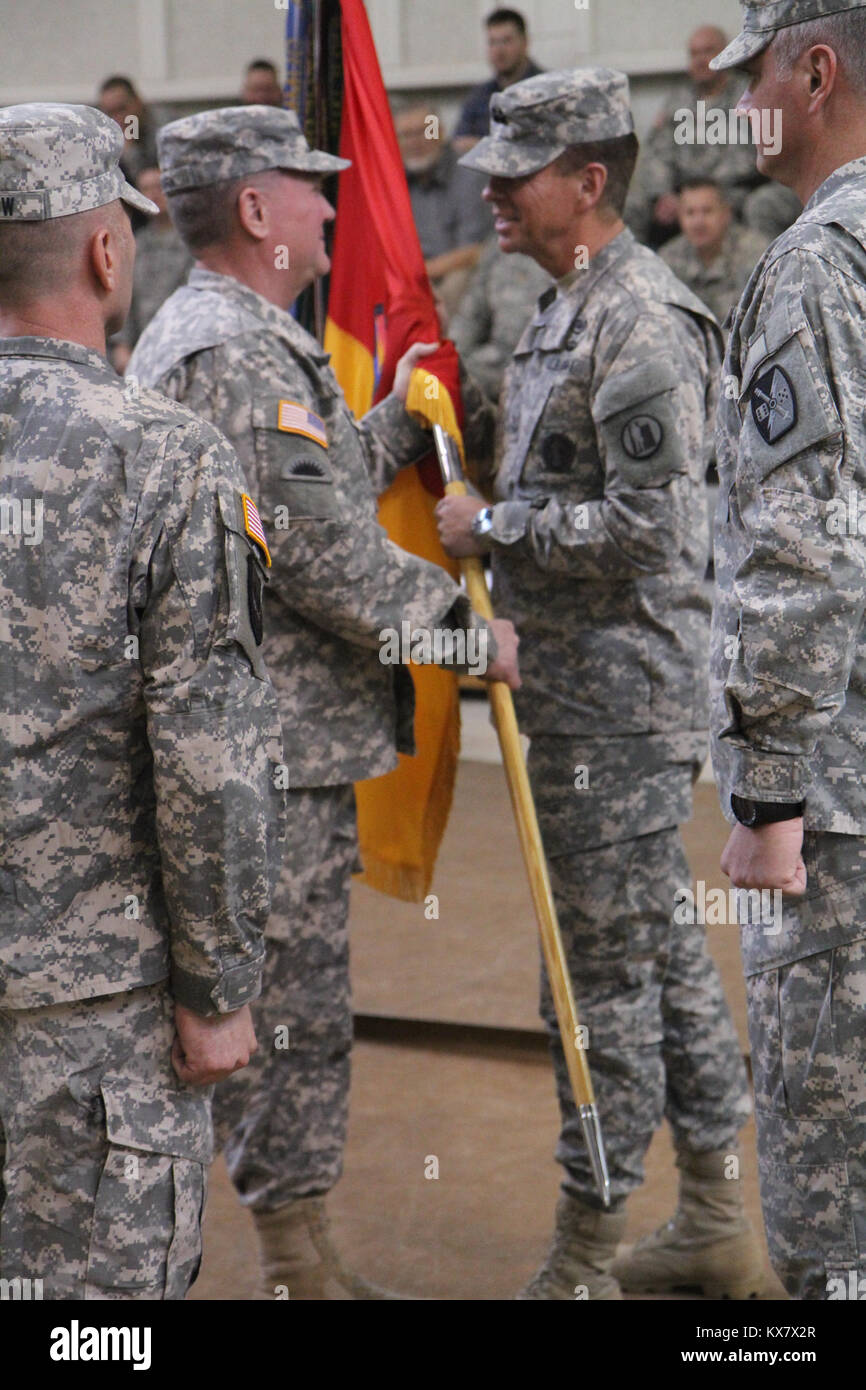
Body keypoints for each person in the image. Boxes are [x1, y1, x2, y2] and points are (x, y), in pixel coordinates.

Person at [128, 104, 520, 1301]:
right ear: (255, 211)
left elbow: (301, 488)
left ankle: (291, 1256)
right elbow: (326, 561)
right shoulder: (234, 350)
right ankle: (296, 1270)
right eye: (308, 188)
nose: (331, 207)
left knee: (269, 1016)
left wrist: (399, 414)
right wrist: (467, 636)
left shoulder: (237, 340)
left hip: (266, 752)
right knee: (285, 1025)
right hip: (264, 762)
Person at [434, 68, 760, 1300]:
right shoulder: (562, 299)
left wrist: (494, 530)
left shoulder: (638, 319)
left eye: (515, 172)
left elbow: (651, 531)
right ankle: (720, 1220)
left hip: (614, 709)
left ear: (588, 180)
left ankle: (586, 1249)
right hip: (581, 695)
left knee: (591, 979)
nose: (488, 191)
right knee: (663, 960)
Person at [0, 103, 285, 1300]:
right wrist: (218, 988)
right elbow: (208, 755)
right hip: (91, 1017)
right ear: (106, 253)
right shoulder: (164, 457)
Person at [709, 0, 866, 1300]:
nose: (734, 101)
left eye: (747, 73)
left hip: (839, 804)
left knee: (835, 1210)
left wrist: (766, 793)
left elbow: (799, 550)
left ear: (813, 72)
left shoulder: (817, 263)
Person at [626, 25, 764, 246]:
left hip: (733, 191)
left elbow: (749, 156)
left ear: (727, 53)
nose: (700, 59)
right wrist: (663, 194)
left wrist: (700, 196)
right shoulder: (677, 100)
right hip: (681, 196)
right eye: (694, 53)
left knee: (759, 206)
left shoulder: (747, 95)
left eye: (708, 51)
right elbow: (656, 154)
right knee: (632, 206)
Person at [394, 101, 492, 318]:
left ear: (440, 133)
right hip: (408, 277)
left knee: (456, 284)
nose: (415, 143)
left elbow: (475, 251)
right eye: (405, 136)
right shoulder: (392, 182)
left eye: (424, 132)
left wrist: (421, 273)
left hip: (455, 274)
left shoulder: (470, 176)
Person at [450, 234, 552, 401]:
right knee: (426, 383)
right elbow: (470, 316)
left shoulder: (580, 248)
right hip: (495, 362)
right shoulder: (499, 246)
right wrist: (449, 359)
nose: (496, 208)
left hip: (547, 366)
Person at [112, 167, 193, 371]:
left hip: (179, 347)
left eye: (159, 187)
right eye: (146, 189)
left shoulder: (191, 244)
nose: (154, 194)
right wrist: (122, 345)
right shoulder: (135, 244)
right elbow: (124, 294)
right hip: (139, 348)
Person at [660, 178, 769, 332]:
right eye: (690, 213)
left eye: (707, 211)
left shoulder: (755, 252)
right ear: (679, 218)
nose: (698, 222)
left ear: (726, 214)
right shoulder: (667, 259)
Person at [454, 8, 544, 154]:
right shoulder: (478, 96)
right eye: (492, 42)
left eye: (506, 41)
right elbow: (460, 144)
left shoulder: (546, 89)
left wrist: (483, 146)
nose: (498, 50)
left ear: (525, 42)